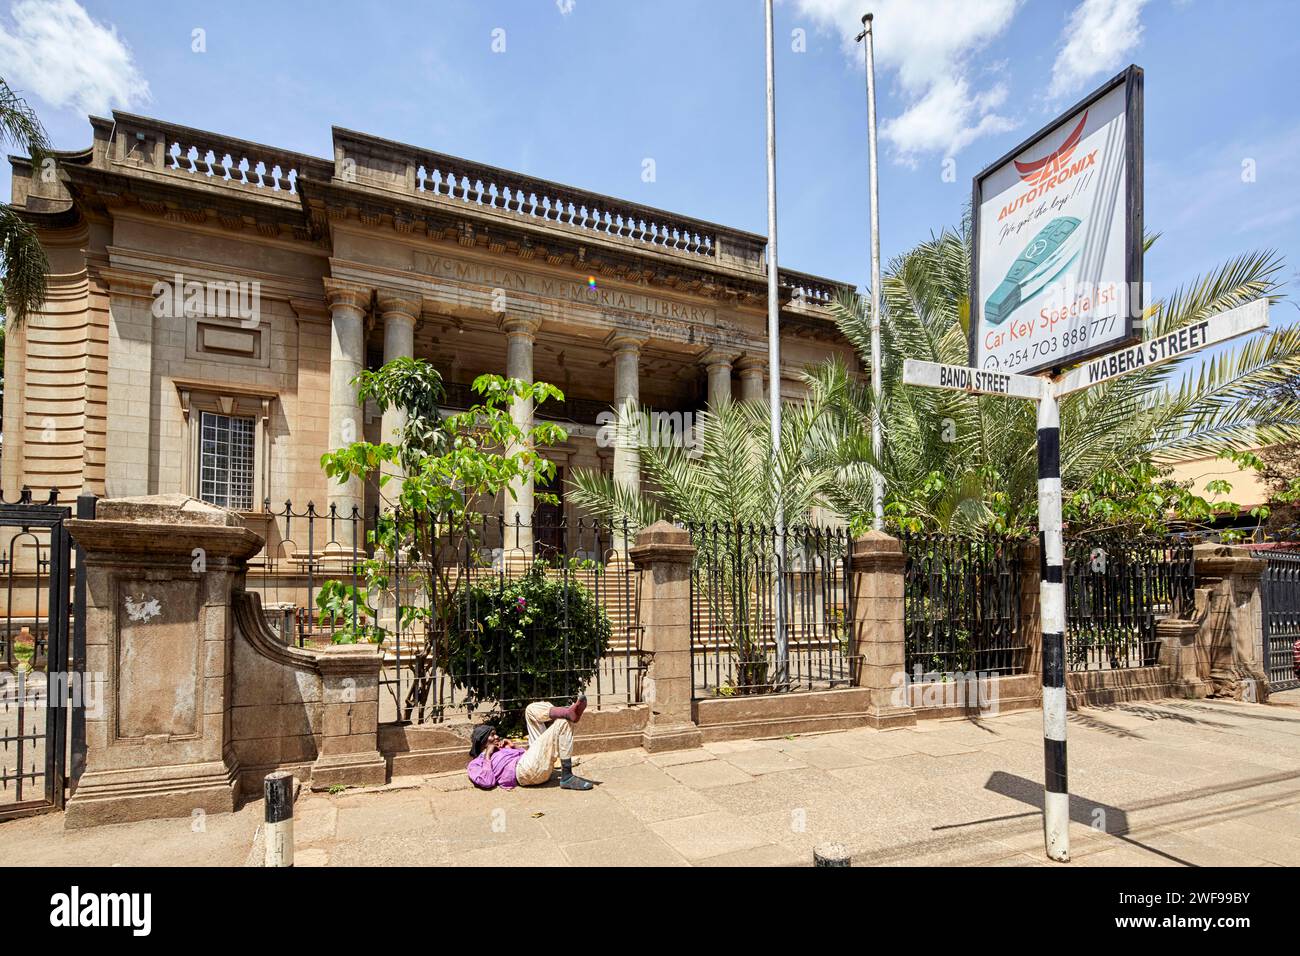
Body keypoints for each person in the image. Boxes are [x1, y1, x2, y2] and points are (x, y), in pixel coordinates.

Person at [467, 696, 594, 791]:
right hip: (525, 773)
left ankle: (567, 712)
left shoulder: (501, 748)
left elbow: (529, 756)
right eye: (492, 735)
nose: (497, 736)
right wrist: (488, 755)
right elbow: (487, 782)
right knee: (563, 723)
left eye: (495, 733)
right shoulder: (476, 763)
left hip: (532, 765)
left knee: (530, 710)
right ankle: (567, 776)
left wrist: (513, 747)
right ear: (482, 741)